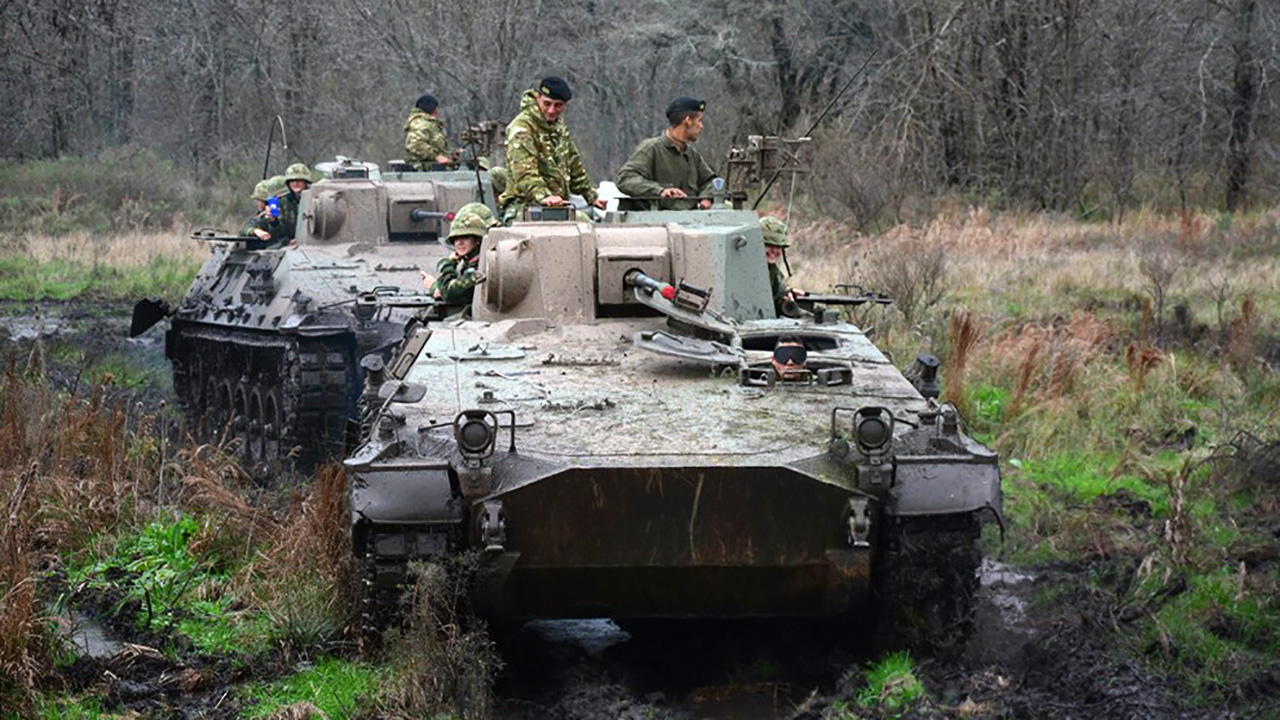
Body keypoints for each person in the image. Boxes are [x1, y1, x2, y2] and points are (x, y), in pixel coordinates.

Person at [498, 76, 606, 223]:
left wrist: (591, 195)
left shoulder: (558, 129)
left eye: (558, 105)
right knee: (581, 222)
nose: (551, 110)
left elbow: (574, 166)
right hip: (524, 208)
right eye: (547, 104)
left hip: (555, 207)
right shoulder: (522, 129)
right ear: (537, 98)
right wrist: (544, 196)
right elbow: (524, 173)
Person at [616, 97, 717, 210]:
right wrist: (660, 191)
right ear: (688, 121)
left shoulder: (690, 153)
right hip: (654, 221)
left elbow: (712, 181)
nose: (701, 126)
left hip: (691, 221)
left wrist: (706, 197)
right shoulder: (651, 148)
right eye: (699, 120)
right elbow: (626, 179)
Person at [423, 202, 499, 310]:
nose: (459, 243)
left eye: (465, 237)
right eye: (456, 239)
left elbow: (450, 293)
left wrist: (446, 265)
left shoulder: (482, 263)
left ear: (477, 240)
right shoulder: (469, 261)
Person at [249, 163, 312, 247]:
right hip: (289, 244)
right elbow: (253, 223)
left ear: (306, 182)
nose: (296, 183)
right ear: (288, 183)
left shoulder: (316, 199)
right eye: (292, 181)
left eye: (299, 180)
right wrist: (272, 222)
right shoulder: (281, 202)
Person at [760, 216, 805, 315]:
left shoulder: (771, 270)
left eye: (778, 246)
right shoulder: (747, 270)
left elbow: (776, 288)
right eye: (769, 245)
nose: (774, 251)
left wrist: (785, 293)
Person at [405, 94, 451, 170]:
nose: (437, 112)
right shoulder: (420, 123)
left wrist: (449, 157)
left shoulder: (430, 124)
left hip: (434, 170)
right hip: (423, 171)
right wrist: (436, 156)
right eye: (435, 109)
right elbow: (415, 144)